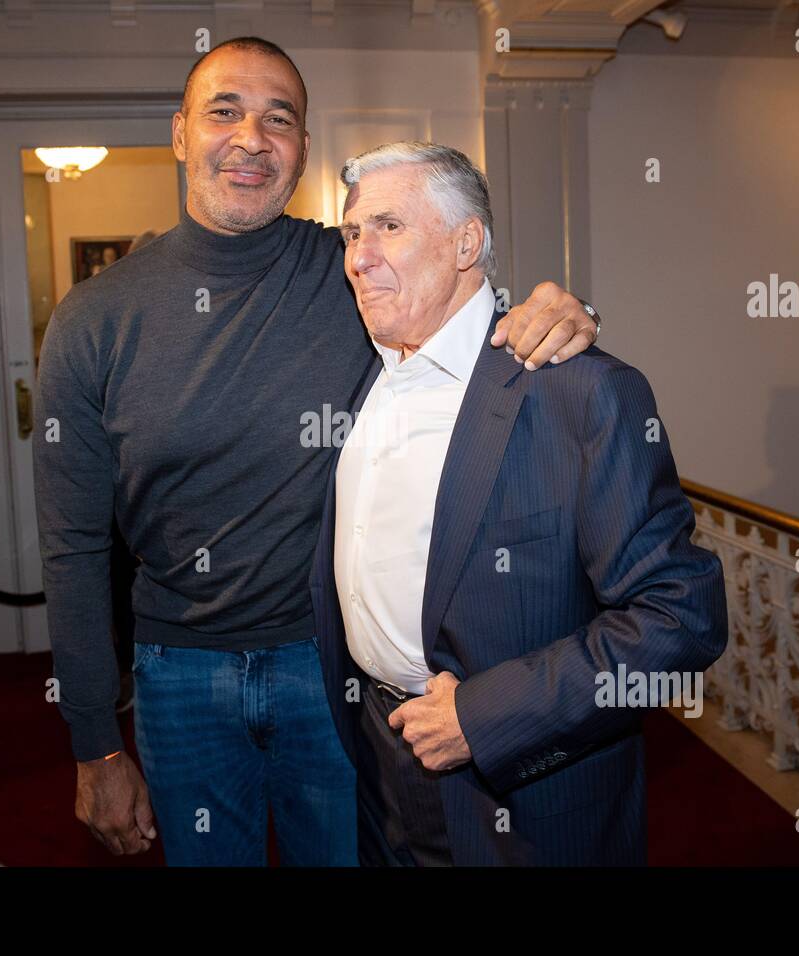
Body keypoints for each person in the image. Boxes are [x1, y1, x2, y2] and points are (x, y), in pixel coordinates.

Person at [34, 36, 602, 866]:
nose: (252, 137)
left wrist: (566, 308)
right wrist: (94, 742)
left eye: (280, 118)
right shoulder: (94, 320)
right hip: (177, 675)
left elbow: (473, 316)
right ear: (181, 134)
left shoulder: (356, 273)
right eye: (224, 111)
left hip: (332, 666)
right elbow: (73, 546)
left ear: (302, 148)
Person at [310, 142, 727, 865]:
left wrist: (481, 718)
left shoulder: (578, 389)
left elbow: (680, 620)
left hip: (520, 790)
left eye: (388, 227)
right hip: (378, 759)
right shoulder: (361, 372)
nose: (358, 256)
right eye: (351, 234)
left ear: (467, 242)